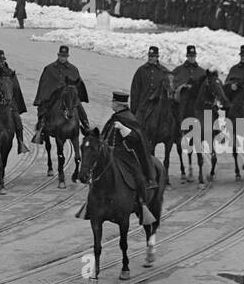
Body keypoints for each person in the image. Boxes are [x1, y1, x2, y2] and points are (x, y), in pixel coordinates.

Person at [95, 91, 158, 226]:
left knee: (138, 176)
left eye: (113, 102)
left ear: (119, 104)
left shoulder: (128, 118)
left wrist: (124, 129)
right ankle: (91, 203)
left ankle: (141, 203)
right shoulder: (115, 117)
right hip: (110, 153)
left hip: (125, 155)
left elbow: (136, 138)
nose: (112, 103)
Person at [32, 44, 91, 144]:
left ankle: (86, 125)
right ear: (58, 55)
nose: (63, 58)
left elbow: (78, 83)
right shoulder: (49, 68)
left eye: (65, 56)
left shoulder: (73, 69)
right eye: (61, 56)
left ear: (67, 56)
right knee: (44, 109)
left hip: (68, 96)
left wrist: (77, 95)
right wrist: (44, 97)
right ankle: (41, 130)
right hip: (53, 96)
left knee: (79, 107)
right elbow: (44, 84)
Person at [128, 45, 170, 114]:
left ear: (157, 57)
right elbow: (135, 91)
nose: (150, 58)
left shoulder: (164, 71)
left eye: (153, 56)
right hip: (142, 108)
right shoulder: (141, 70)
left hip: (157, 111)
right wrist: (133, 109)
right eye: (149, 56)